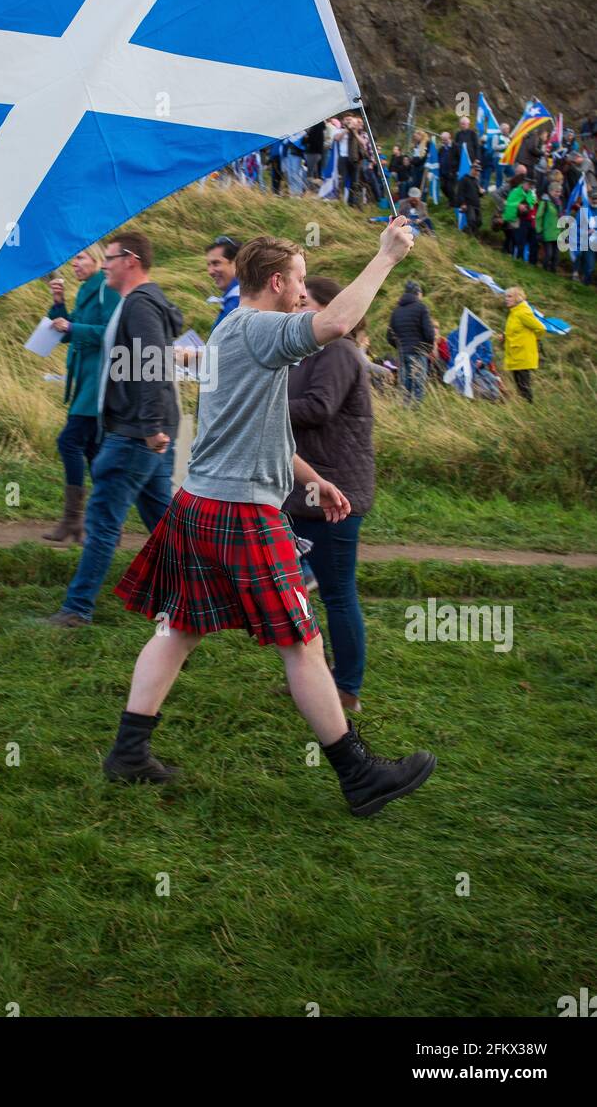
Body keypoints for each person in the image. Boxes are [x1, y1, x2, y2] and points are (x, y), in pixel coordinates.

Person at [102, 220, 436, 818]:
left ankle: (129, 752)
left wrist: (313, 479)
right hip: (240, 513)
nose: (305, 293)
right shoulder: (260, 329)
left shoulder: (232, 326)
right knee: (304, 642)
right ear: (278, 283)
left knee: (178, 627)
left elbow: (256, 427)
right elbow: (337, 325)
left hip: (198, 502)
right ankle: (359, 775)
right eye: (301, 282)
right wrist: (386, 255)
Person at [49, 232, 183, 627]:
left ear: (130, 260)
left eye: (108, 258)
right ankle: (201, 593)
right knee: (165, 524)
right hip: (144, 430)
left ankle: (77, 609)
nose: (102, 265)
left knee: (103, 519)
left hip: (135, 433)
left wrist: (151, 426)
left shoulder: (140, 306)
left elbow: (153, 365)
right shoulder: (136, 302)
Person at [284, 277, 375, 713]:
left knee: (338, 593)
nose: (297, 309)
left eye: (306, 303)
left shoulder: (338, 352)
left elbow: (320, 407)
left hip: (335, 494)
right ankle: (316, 678)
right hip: (307, 490)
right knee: (301, 594)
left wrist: (259, 405)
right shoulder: (308, 352)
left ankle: (347, 689)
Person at [42, 245, 121, 543]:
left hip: (98, 380)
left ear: (98, 261)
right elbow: (65, 333)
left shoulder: (106, 288)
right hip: (85, 379)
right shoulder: (89, 288)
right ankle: (98, 521)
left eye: (80, 257)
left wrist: (73, 326)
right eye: (73, 257)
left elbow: (111, 331)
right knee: (92, 452)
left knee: (70, 441)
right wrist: (58, 304)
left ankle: (75, 520)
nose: (74, 262)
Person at [386, 279, 434, 403]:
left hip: (403, 353)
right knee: (418, 385)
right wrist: (428, 348)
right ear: (417, 293)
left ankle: (405, 414)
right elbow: (429, 333)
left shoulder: (395, 312)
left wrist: (400, 346)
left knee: (405, 386)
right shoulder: (421, 308)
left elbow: (389, 336)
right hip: (418, 352)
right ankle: (416, 414)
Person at [500, 287, 545, 402]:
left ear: (517, 298)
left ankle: (529, 407)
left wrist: (533, 340)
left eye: (509, 296)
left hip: (523, 354)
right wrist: (505, 335)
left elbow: (540, 328)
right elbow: (516, 330)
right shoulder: (514, 312)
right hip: (516, 354)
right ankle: (524, 406)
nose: (506, 299)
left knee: (524, 386)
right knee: (520, 386)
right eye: (506, 296)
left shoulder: (523, 313)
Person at [205, 235, 241, 328]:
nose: (210, 271)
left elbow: (220, 342)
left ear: (236, 263)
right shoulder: (238, 296)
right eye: (208, 265)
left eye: (216, 263)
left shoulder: (238, 302)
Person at [536, 177, 563, 272]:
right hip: (547, 233)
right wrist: (539, 231)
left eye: (559, 192)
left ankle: (553, 273)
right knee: (548, 254)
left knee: (556, 256)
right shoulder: (545, 202)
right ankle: (544, 271)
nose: (558, 194)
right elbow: (539, 217)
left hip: (557, 233)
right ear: (550, 191)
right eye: (556, 191)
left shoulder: (559, 203)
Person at [457, 163, 482, 234]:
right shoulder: (464, 179)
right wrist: (463, 203)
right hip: (468, 204)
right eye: (476, 170)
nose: (478, 172)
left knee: (479, 221)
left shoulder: (476, 181)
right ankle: (469, 235)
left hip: (477, 204)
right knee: (471, 220)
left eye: (479, 171)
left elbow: (478, 194)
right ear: (472, 169)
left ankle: (469, 232)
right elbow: (460, 192)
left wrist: (481, 192)